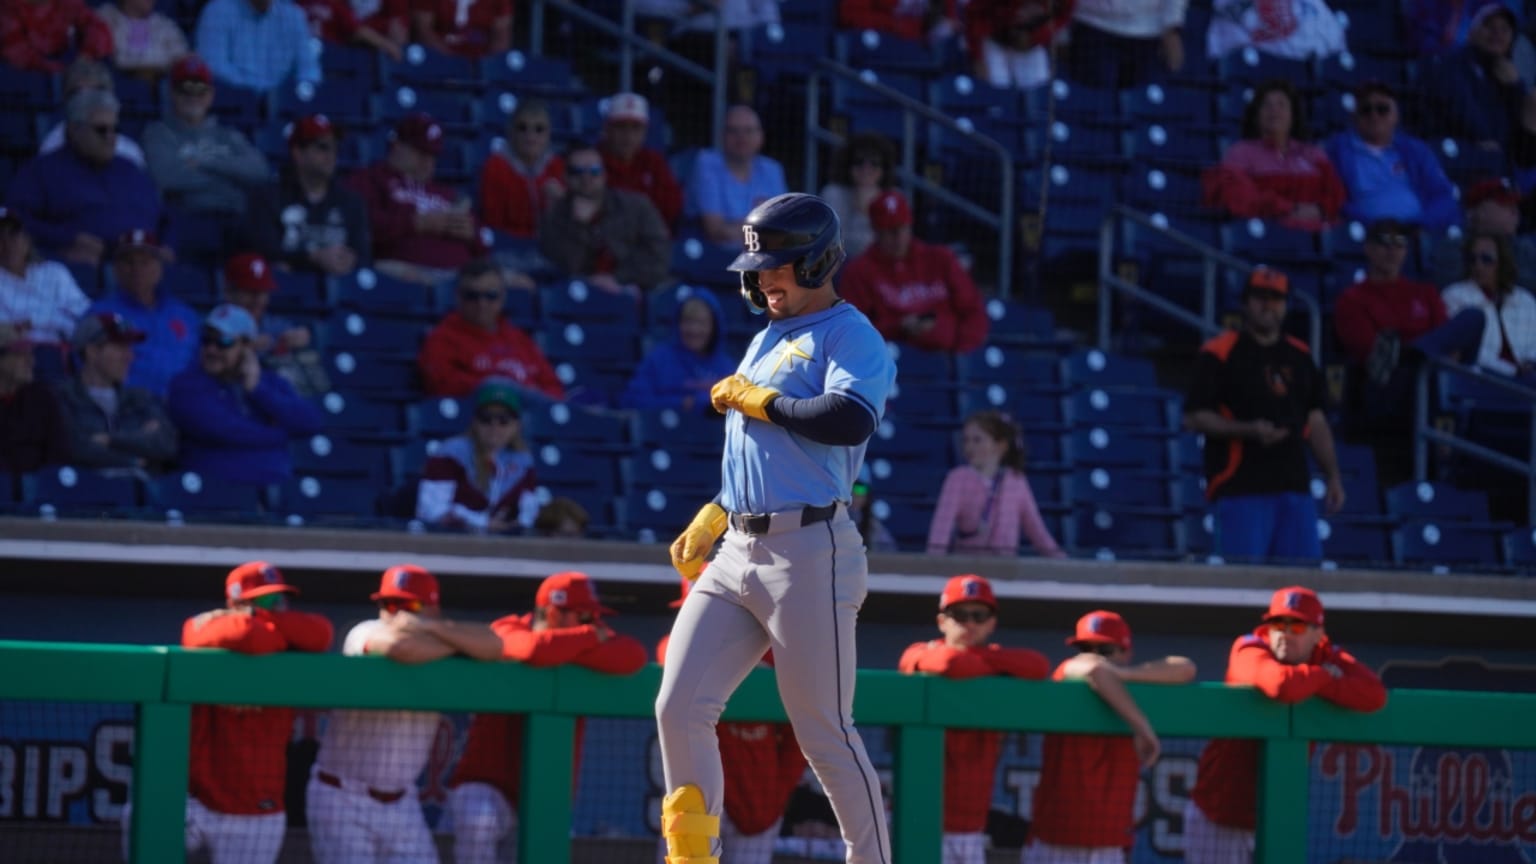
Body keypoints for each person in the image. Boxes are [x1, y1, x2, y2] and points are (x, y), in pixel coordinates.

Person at [655, 192, 896, 863]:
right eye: (758, 270)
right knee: (679, 706)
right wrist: (719, 508)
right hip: (739, 547)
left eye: (778, 268)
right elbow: (768, 456)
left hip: (810, 549)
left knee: (825, 733)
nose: (764, 280)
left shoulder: (851, 333)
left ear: (817, 264)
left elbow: (850, 419)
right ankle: (692, 857)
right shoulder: (767, 335)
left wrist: (765, 402)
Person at [307, 564, 502, 864]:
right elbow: (401, 647)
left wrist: (433, 629)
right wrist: (456, 645)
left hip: (401, 803)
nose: (395, 614)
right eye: (388, 604)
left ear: (432, 608)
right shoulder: (365, 631)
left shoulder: (438, 634)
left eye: (408, 605)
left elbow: (495, 645)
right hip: (341, 795)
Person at [141, 561, 333, 864]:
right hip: (194, 800)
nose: (278, 607)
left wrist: (263, 617)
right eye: (265, 600)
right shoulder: (206, 625)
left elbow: (322, 633)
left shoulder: (290, 631)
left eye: (280, 600)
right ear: (235, 603)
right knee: (138, 813)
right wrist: (268, 625)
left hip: (255, 808)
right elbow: (249, 635)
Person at [448, 571, 646, 864]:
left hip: (545, 788)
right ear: (553, 612)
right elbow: (534, 648)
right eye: (584, 615)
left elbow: (633, 655)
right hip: (485, 784)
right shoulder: (507, 627)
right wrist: (588, 638)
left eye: (592, 618)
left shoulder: (584, 638)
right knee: (479, 822)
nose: (592, 623)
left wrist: (568, 645)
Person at [1186, 586, 1386, 863]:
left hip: (1273, 818)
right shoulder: (1248, 648)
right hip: (1219, 816)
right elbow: (1281, 685)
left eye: (1298, 626)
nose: (1286, 634)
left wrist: (1314, 678)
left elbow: (1374, 694)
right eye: (1278, 624)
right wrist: (1324, 677)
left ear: (1319, 634)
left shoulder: (1327, 655)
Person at [1184, 268, 1345, 563]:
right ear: (1245, 302)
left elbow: (1316, 420)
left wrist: (1332, 475)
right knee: (1244, 587)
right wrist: (1249, 430)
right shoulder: (1220, 352)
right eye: (1260, 297)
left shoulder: (1300, 355)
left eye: (1276, 298)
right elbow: (1194, 417)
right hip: (1241, 486)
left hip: (1295, 486)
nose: (1268, 305)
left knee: (1302, 585)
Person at [898, 574, 1050, 864]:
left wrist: (982, 659)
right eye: (960, 614)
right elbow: (949, 662)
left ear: (992, 622)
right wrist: (991, 664)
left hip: (971, 827)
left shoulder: (993, 657)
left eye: (979, 615)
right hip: (921, 822)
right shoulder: (918, 652)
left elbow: (1038, 665)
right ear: (942, 620)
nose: (969, 623)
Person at [656, 572, 807, 864]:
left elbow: (799, 734)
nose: (696, 625)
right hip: (697, 790)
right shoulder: (672, 648)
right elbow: (666, 652)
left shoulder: (775, 656)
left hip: (757, 792)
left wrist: (775, 796)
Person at [1024, 610, 1197, 862]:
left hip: (1108, 846)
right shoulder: (1067, 672)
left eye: (1105, 649)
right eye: (1085, 647)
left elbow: (1186, 668)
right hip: (1054, 842)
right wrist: (1143, 728)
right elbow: (1094, 669)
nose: (1094, 655)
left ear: (1126, 653)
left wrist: (1125, 675)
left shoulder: (1135, 687)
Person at [166, 303, 325, 485]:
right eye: (206, 340)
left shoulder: (268, 381)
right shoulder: (186, 385)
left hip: (274, 494)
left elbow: (311, 421)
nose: (212, 349)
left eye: (223, 342)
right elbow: (225, 430)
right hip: (213, 493)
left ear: (248, 346)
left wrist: (258, 390)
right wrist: (281, 434)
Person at [6, 89, 165, 267]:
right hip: (82, 268)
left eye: (115, 129)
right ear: (74, 130)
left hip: (144, 268)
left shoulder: (130, 169)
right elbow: (15, 221)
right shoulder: (42, 171)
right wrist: (66, 239)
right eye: (101, 130)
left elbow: (164, 217)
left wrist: (167, 246)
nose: (111, 137)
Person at [1334, 219, 1487, 400]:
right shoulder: (1352, 298)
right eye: (1385, 242)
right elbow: (1370, 356)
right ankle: (1415, 356)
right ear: (1368, 248)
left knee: (1474, 316)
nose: (1392, 251)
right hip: (1389, 382)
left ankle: (1416, 354)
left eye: (1400, 243)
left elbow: (1445, 341)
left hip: (1431, 372)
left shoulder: (1424, 292)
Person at [142, 54, 271, 256]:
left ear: (210, 95)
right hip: (188, 218)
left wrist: (204, 163)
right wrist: (230, 177)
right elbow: (166, 177)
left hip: (235, 218)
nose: (193, 97)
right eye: (185, 89)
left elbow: (260, 172)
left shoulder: (228, 135)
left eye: (200, 90)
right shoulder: (158, 133)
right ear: (172, 93)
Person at [839, 189, 990, 353]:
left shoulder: (941, 259)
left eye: (902, 228)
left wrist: (950, 342)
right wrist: (898, 327)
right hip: (888, 365)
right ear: (876, 231)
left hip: (947, 361)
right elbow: (852, 333)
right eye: (890, 231)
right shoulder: (859, 271)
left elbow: (974, 314)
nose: (898, 237)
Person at [349, 112, 487, 285]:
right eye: (421, 153)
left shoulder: (447, 193)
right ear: (397, 146)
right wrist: (416, 223)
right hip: (404, 270)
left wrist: (472, 235)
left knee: (519, 283)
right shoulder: (371, 179)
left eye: (433, 156)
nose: (428, 162)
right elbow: (360, 227)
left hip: (460, 276)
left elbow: (485, 245)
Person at [1202, 79, 1346, 232]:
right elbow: (1237, 195)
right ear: (1256, 116)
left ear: (1293, 115)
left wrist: (1320, 209)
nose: (1274, 110)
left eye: (1281, 104)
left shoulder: (1313, 154)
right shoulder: (1240, 153)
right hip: (1267, 234)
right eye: (1266, 105)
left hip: (1317, 235)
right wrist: (1289, 208)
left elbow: (1336, 193)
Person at [417, 258, 564, 399]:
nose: (482, 304)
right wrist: (494, 388)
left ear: (502, 297)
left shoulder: (519, 338)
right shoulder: (443, 338)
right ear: (458, 297)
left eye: (491, 296)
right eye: (472, 296)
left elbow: (553, 387)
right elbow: (441, 384)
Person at [1324, 82, 1461, 232]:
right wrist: (1376, 226)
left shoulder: (1416, 150)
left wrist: (1421, 224)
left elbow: (1442, 195)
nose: (1374, 115)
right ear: (1354, 116)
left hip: (1417, 231)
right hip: (1368, 234)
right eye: (1366, 110)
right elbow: (1336, 200)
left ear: (1396, 115)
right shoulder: (1336, 150)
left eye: (1382, 109)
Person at [926, 410, 1065, 557]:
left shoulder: (1016, 481)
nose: (969, 447)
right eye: (966, 440)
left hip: (1007, 571)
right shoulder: (957, 479)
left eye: (977, 440)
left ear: (1000, 446)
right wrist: (932, 566)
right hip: (969, 569)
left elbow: (1036, 530)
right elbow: (940, 530)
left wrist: (1062, 563)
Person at [538, 144, 671, 295]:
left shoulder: (638, 206)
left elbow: (659, 257)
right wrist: (580, 225)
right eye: (577, 172)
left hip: (635, 290)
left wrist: (617, 278)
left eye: (594, 171)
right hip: (578, 295)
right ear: (565, 176)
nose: (586, 178)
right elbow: (565, 267)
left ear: (604, 174)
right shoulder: (555, 215)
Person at [414, 377, 541, 534]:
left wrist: (515, 523)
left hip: (504, 546)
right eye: (486, 418)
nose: (494, 426)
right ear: (475, 421)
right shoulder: (450, 454)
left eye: (503, 420)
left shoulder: (523, 461)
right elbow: (431, 511)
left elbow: (529, 512)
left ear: (516, 425)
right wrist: (482, 522)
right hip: (452, 542)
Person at [249, 113, 371, 276]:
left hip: (338, 283)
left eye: (335, 147)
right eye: (322, 147)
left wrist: (351, 260)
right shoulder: (267, 197)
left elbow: (364, 255)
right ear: (298, 153)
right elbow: (263, 251)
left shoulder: (351, 202)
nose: (331, 156)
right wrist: (312, 258)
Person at [54, 312, 178, 470]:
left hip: (139, 491)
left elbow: (165, 443)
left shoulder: (140, 398)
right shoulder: (62, 396)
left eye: (129, 348)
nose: (129, 356)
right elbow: (75, 449)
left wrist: (110, 440)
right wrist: (133, 459)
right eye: (120, 347)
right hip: (86, 490)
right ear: (92, 351)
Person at [87, 230, 200, 398]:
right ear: (116, 269)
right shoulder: (100, 314)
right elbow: (90, 369)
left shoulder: (185, 315)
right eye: (128, 262)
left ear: (159, 267)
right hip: (130, 406)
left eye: (145, 262)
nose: (137, 269)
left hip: (187, 402)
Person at [1425, 4, 1536, 167]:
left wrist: (1515, 86)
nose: (1497, 34)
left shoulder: (1506, 72)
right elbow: (1460, 106)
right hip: (1462, 147)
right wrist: (1484, 139)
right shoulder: (1452, 63)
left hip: (1502, 155)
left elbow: (1523, 121)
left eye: (1504, 29)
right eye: (1489, 26)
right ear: (1472, 33)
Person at [618, 289, 735, 414]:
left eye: (702, 323)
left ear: (714, 327)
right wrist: (683, 403)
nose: (694, 330)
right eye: (688, 321)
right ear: (678, 324)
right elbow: (632, 401)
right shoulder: (658, 360)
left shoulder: (727, 368)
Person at [685, 106, 788, 247]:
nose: (742, 137)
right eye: (733, 130)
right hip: (713, 258)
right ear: (723, 135)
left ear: (761, 136)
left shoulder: (772, 170)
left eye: (749, 131)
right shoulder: (706, 163)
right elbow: (715, 231)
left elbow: (783, 228)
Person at [1442, 232, 1536, 381]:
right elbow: (1469, 351)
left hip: (1528, 379)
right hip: (1483, 379)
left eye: (1486, 259)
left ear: (1502, 262)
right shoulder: (1454, 296)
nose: (1478, 266)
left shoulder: (1525, 300)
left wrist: (1531, 363)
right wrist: (1513, 370)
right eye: (1472, 259)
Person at [0, 207, 91, 347]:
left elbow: (87, 317)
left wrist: (33, 321)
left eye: (13, 234)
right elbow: (10, 334)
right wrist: (60, 319)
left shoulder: (54, 272)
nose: (7, 245)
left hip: (72, 352)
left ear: (26, 239)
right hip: (23, 358)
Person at [479, 100, 566, 239]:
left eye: (539, 129)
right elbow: (494, 225)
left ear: (548, 134)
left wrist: (562, 203)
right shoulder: (495, 167)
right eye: (522, 128)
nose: (530, 136)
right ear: (511, 131)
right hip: (508, 248)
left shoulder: (558, 166)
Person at [38, 58, 148, 168]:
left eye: (95, 95)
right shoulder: (51, 147)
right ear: (66, 99)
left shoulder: (129, 152)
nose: (86, 103)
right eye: (78, 95)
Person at [597, 92, 684, 229]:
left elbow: (672, 207)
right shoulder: (594, 159)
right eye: (621, 127)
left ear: (645, 132)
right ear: (607, 129)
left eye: (635, 128)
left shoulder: (654, 162)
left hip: (646, 237)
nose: (628, 136)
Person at [194, 0, 320, 93]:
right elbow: (212, 66)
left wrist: (300, 90)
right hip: (231, 103)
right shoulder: (217, 11)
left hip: (283, 105)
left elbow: (308, 68)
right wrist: (258, 90)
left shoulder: (294, 16)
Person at [1431, 178, 1536, 287]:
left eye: (1516, 206)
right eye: (1506, 205)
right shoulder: (1451, 250)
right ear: (1475, 212)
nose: (1515, 212)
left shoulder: (1525, 249)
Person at [1063, 0, 1186, 89]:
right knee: (1094, 110)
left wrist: (1172, 25)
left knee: (1144, 110)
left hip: (1147, 33)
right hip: (1092, 26)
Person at [0, 323, 69, 473]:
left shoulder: (42, 398)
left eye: (30, 353)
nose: (31, 361)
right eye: (20, 355)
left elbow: (58, 454)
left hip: (39, 491)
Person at [819, 132, 898, 260]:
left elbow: (896, 246)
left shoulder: (893, 198)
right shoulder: (833, 193)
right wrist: (861, 213)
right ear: (848, 165)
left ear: (884, 168)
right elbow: (834, 245)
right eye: (859, 162)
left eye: (874, 163)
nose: (866, 168)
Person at [962, 0, 1073, 90]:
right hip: (995, 38)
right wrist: (978, 57)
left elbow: (1064, 15)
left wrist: (1037, 37)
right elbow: (972, 14)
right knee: (997, 89)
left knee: (1039, 87)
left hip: (1029, 40)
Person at [0, 0, 112, 73]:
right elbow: (15, 52)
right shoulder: (7, 7)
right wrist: (59, 70)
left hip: (70, 71)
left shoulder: (67, 3)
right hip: (23, 81)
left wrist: (85, 56)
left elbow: (98, 29)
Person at [95, 0, 190, 78]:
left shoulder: (165, 26)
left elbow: (181, 59)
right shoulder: (105, 18)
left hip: (158, 85)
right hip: (115, 82)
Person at [294, 0, 403, 60]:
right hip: (322, 61)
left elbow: (356, 31)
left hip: (324, 60)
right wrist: (388, 46)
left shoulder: (296, 6)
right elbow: (360, 32)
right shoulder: (331, 5)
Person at [410, 0, 511, 57]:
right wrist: (452, 62)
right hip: (437, 61)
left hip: (480, 64)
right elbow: (423, 30)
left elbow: (501, 35)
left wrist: (489, 66)